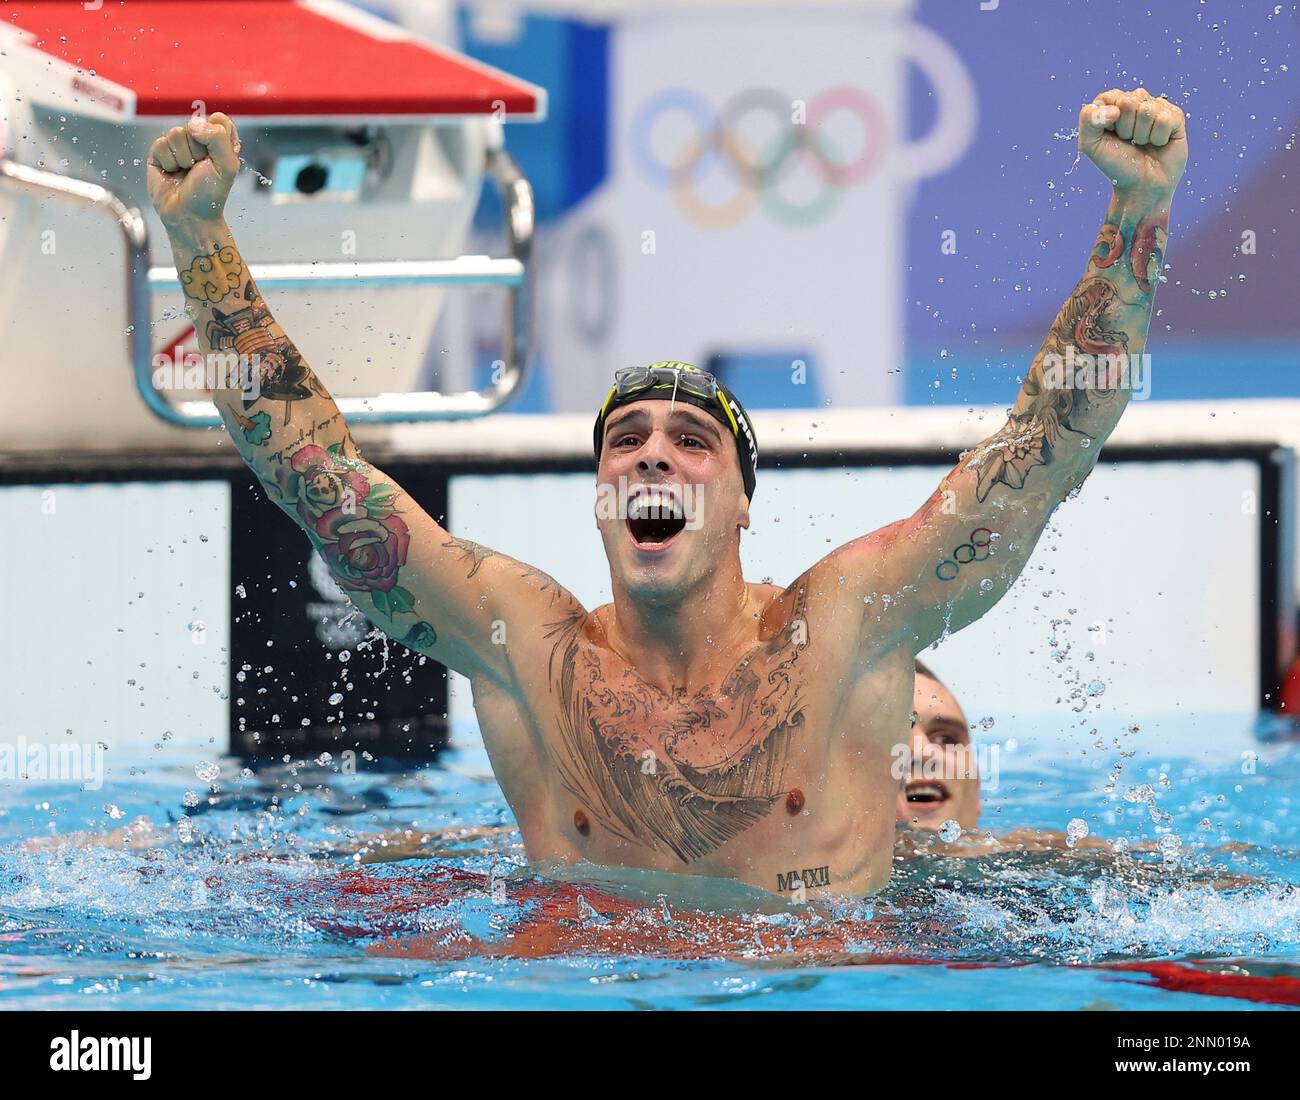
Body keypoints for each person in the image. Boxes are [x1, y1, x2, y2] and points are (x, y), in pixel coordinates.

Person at [144, 87, 1187, 901]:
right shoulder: (527, 645)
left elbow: (1043, 451)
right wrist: (200, 244)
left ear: (741, 505)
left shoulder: (841, 625)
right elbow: (313, 475)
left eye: (691, 442)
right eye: (626, 441)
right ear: (599, 491)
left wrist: (1137, 209)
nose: (651, 457)